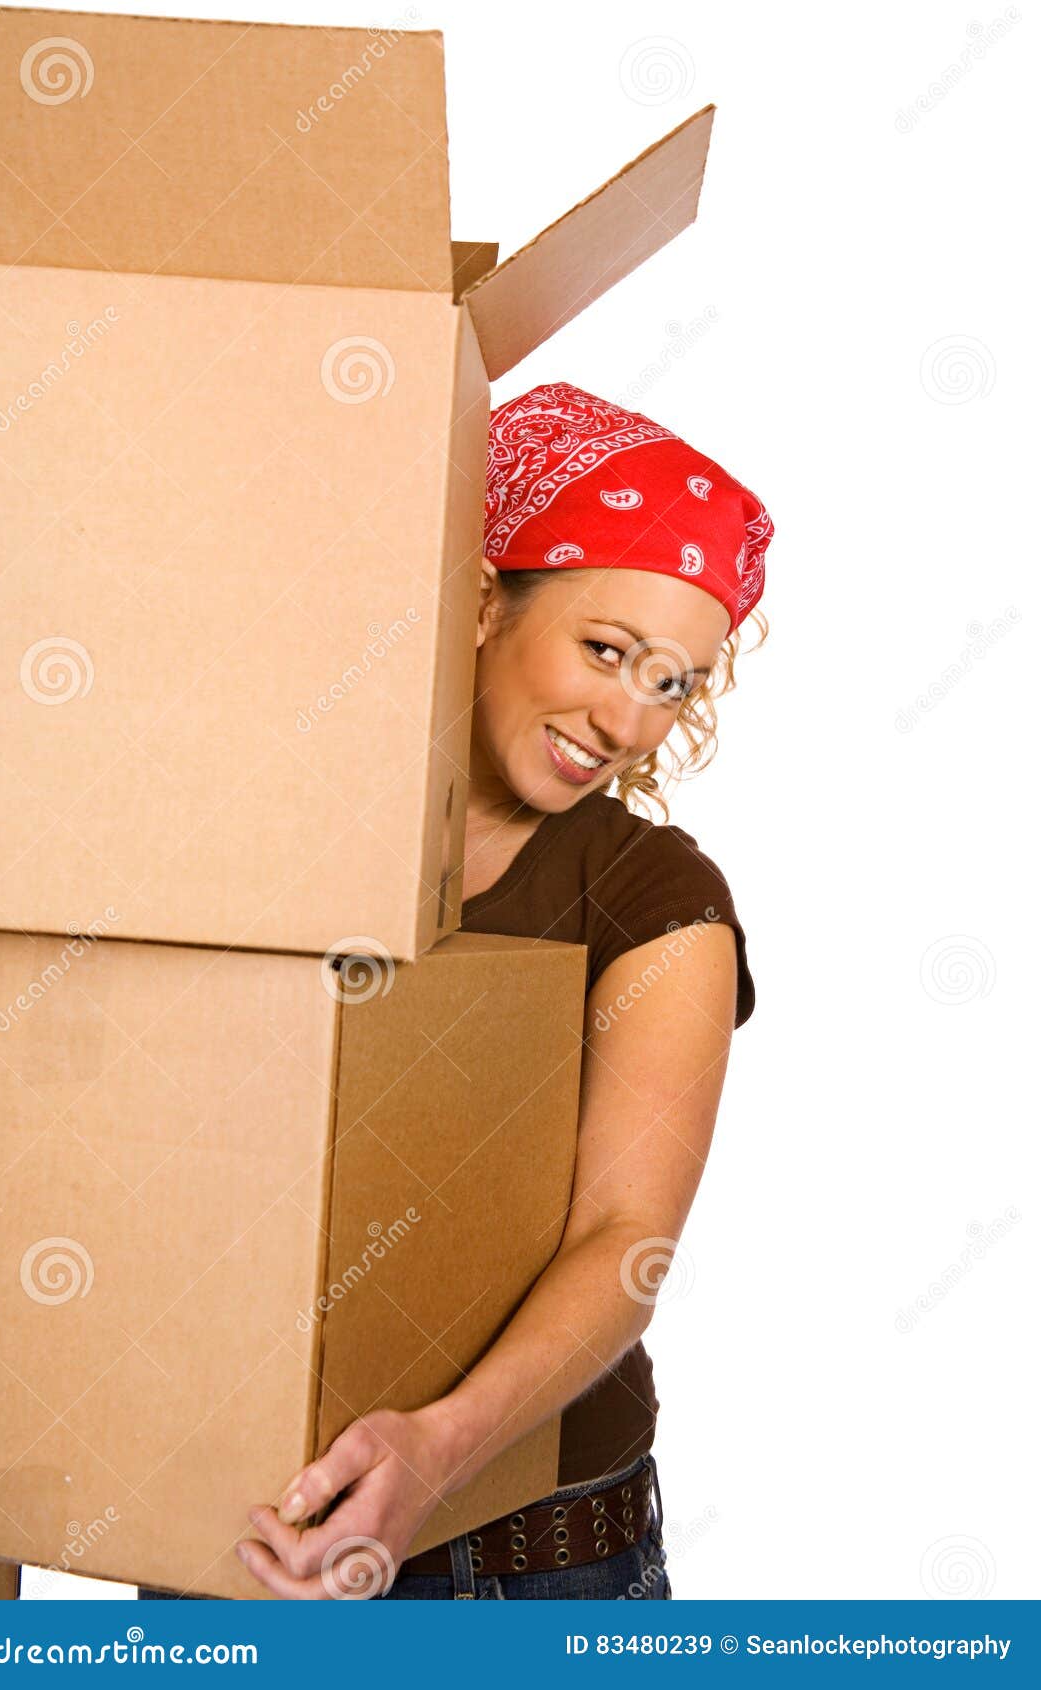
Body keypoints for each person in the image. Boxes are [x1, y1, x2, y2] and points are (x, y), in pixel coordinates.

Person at [140, 378, 773, 1602]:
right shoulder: (260, 835)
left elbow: (622, 1238)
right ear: (485, 600)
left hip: (528, 1555)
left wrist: (437, 1446)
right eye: (604, 649)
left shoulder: (654, 895)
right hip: (235, 1529)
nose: (625, 717)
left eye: (671, 682)